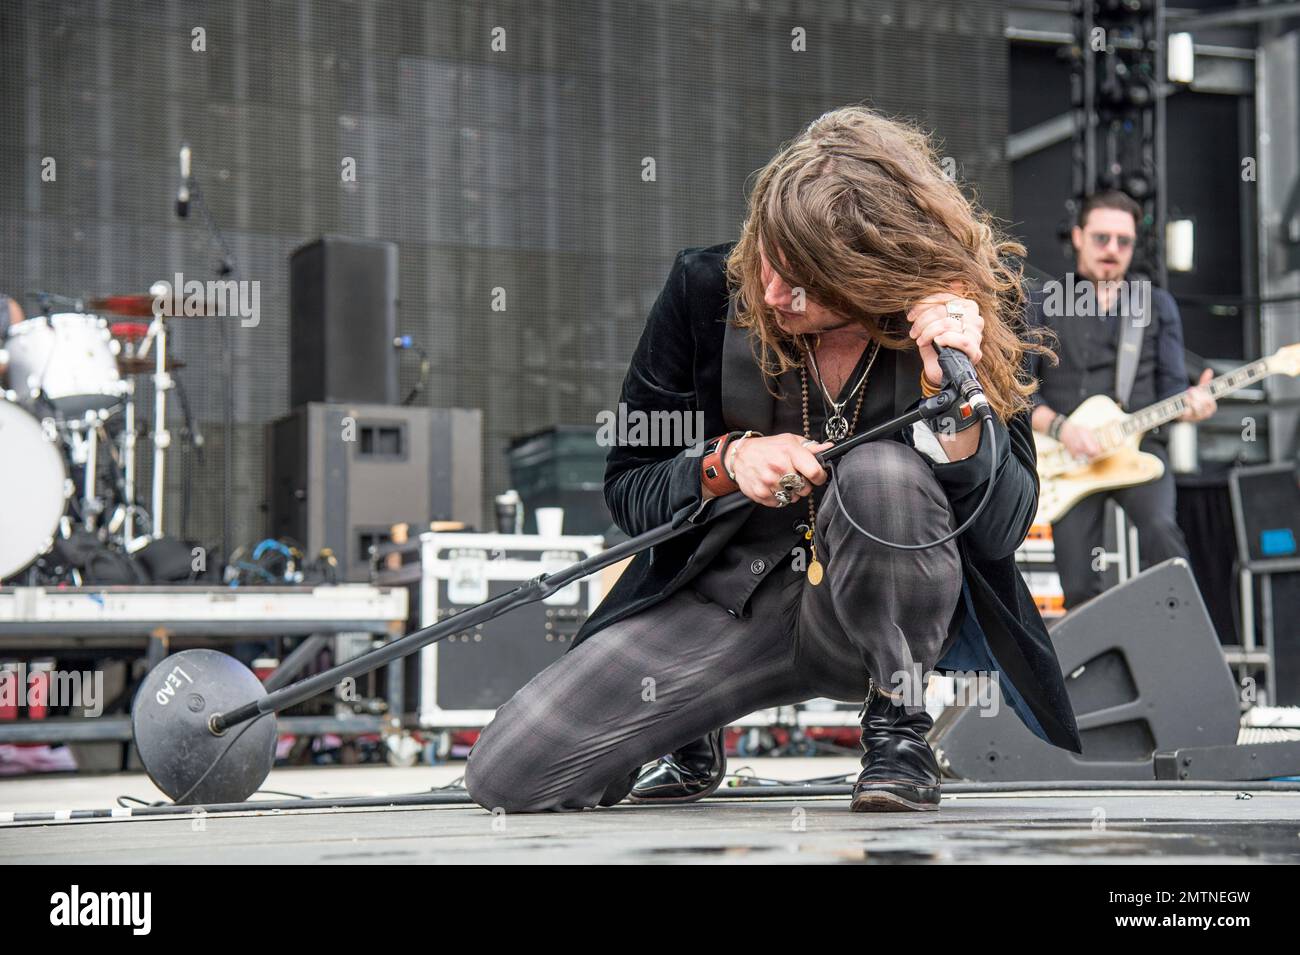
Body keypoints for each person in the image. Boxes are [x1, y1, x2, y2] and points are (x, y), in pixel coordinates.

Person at [465, 106, 1081, 815]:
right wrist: (727, 461)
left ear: (873, 277)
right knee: (509, 776)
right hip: (727, 605)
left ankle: (898, 727)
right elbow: (629, 485)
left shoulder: (961, 311)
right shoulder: (703, 291)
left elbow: (1000, 533)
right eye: (771, 260)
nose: (777, 293)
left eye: (810, 282)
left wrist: (955, 405)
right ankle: (694, 723)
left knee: (881, 476)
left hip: (867, 616)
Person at [1026, 191, 1216, 611]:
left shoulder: (1155, 304)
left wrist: (1192, 406)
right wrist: (1063, 429)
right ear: (1078, 237)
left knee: (1163, 537)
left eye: (1123, 241)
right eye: (1101, 238)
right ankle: (1097, 671)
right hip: (1067, 457)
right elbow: (1022, 391)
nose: (1112, 250)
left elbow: (1171, 390)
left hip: (1138, 446)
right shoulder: (1042, 300)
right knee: (1076, 584)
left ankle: (1177, 640)